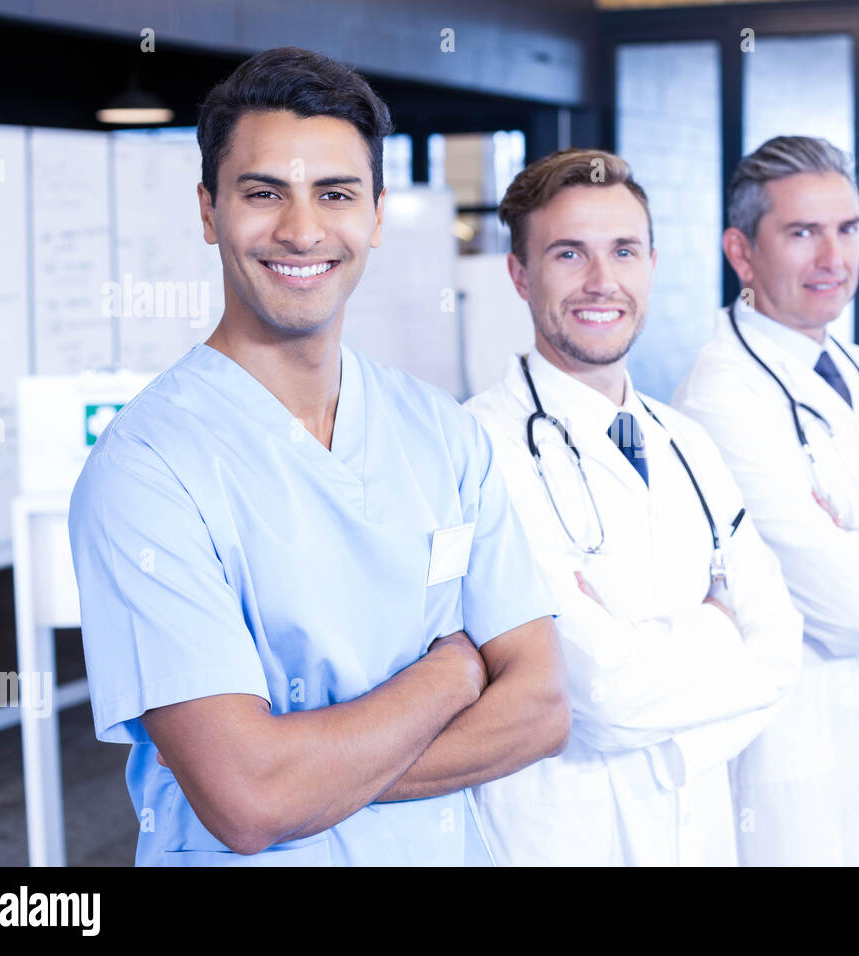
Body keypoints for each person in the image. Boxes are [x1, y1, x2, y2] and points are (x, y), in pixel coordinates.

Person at [67, 47, 570, 867]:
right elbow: (250, 801)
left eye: (334, 194)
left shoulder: (441, 434)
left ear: (375, 214)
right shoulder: (147, 469)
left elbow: (543, 708)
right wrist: (451, 675)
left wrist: (315, 769)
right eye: (264, 193)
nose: (302, 230)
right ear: (208, 211)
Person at [465, 148, 803, 866]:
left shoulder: (688, 443)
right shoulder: (479, 449)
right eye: (568, 254)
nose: (602, 281)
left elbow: (779, 651)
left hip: (702, 836)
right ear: (520, 274)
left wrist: (650, 658)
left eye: (623, 251)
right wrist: (719, 626)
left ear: (652, 262)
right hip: (560, 841)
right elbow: (596, 693)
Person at [673, 136, 859, 866]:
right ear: (741, 252)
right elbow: (850, 608)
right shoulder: (721, 398)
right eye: (802, 232)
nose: (833, 259)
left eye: (847, 230)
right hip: (810, 777)